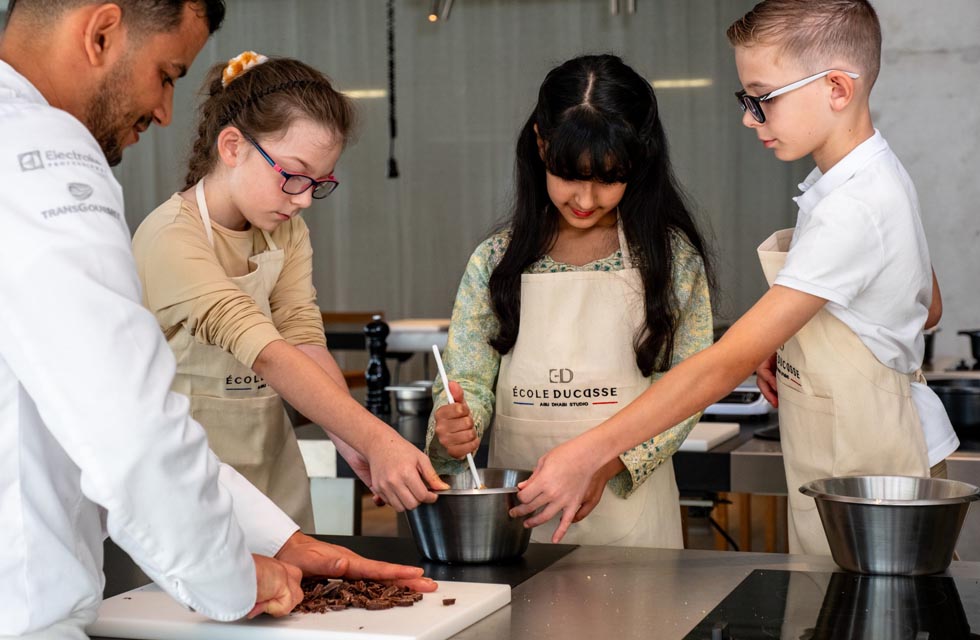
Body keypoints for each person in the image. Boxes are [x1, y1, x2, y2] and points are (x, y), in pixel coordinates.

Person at [0, 2, 434, 638]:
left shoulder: (283, 235)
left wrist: (284, 534)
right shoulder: (45, 157)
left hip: (208, 509)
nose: (165, 110)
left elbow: (294, 340)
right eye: (168, 72)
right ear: (100, 33)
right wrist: (230, 569)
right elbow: (134, 430)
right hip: (47, 590)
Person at [509, 0, 959, 554]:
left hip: (873, 470)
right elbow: (926, 305)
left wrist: (588, 452)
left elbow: (725, 363)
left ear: (837, 89)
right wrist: (799, 336)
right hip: (854, 463)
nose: (749, 117)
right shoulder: (867, 177)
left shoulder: (855, 207)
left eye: (763, 98)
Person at [132, 52, 448, 529]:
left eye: (317, 183)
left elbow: (302, 338)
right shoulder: (169, 238)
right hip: (186, 486)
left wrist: (350, 441)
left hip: (273, 476)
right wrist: (378, 438)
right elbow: (264, 350)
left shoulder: (285, 232)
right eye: (292, 176)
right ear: (233, 147)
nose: (302, 200)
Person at [425, 54, 714, 548]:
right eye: (569, 175)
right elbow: (467, 378)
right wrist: (455, 424)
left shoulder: (671, 261)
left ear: (638, 161)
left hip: (632, 517)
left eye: (607, 179)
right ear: (541, 145)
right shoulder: (496, 261)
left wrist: (607, 464)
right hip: (521, 518)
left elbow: (688, 387)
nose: (585, 198)